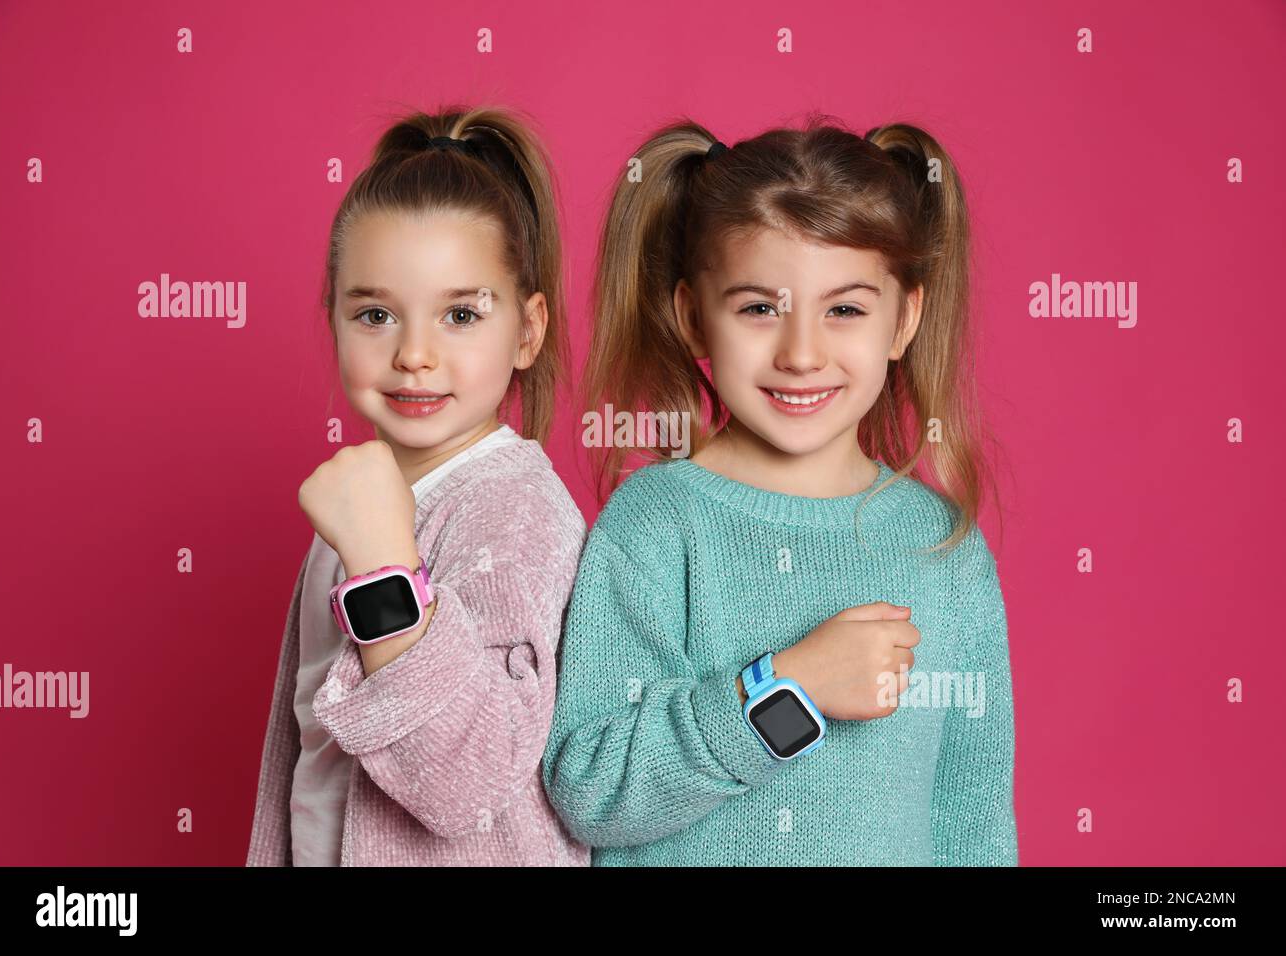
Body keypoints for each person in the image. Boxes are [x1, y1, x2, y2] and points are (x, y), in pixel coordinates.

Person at [542, 116, 1018, 866]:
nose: (801, 354)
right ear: (695, 317)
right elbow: (593, 788)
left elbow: (973, 822)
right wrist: (782, 690)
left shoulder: (945, 549)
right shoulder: (658, 524)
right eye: (760, 308)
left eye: (846, 310)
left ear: (905, 320)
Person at [246, 105, 589, 866]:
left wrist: (382, 567)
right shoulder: (359, 505)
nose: (415, 356)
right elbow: (305, 762)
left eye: (461, 315)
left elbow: (467, 782)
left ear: (527, 331)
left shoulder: (515, 510)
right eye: (375, 314)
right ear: (332, 319)